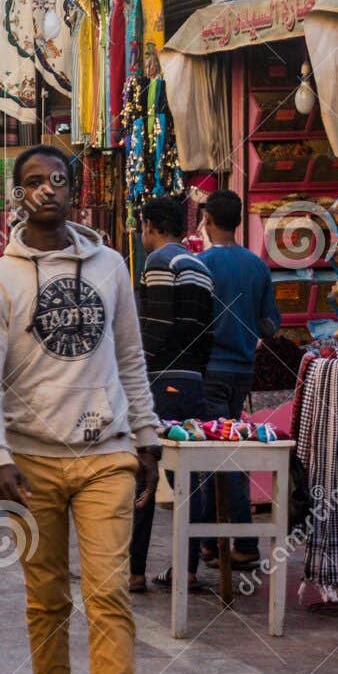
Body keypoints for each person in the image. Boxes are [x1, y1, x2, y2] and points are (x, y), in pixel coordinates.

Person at [0, 145, 160, 674]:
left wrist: (149, 440)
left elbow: (131, 359)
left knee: (107, 597)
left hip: (106, 454)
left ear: (75, 189)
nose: (48, 189)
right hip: (31, 463)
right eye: (34, 182)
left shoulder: (110, 268)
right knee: (45, 600)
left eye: (58, 179)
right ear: (18, 194)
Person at [129, 196, 214, 593]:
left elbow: (157, 324)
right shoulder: (200, 266)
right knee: (190, 476)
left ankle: (135, 570)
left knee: (143, 469)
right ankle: (188, 568)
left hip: (162, 378)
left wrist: (137, 369)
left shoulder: (160, 262)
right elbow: (206, 331)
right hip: (194, 379)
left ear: (151, 224)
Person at [196, 189, 279, 570]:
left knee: (216, 456)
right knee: (222, 450)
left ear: (209, 222)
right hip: (241, 372)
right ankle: (212, 542)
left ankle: (243, 542)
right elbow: (271, 324)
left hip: (211, 370)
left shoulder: (200, 264)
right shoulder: (257, 266)